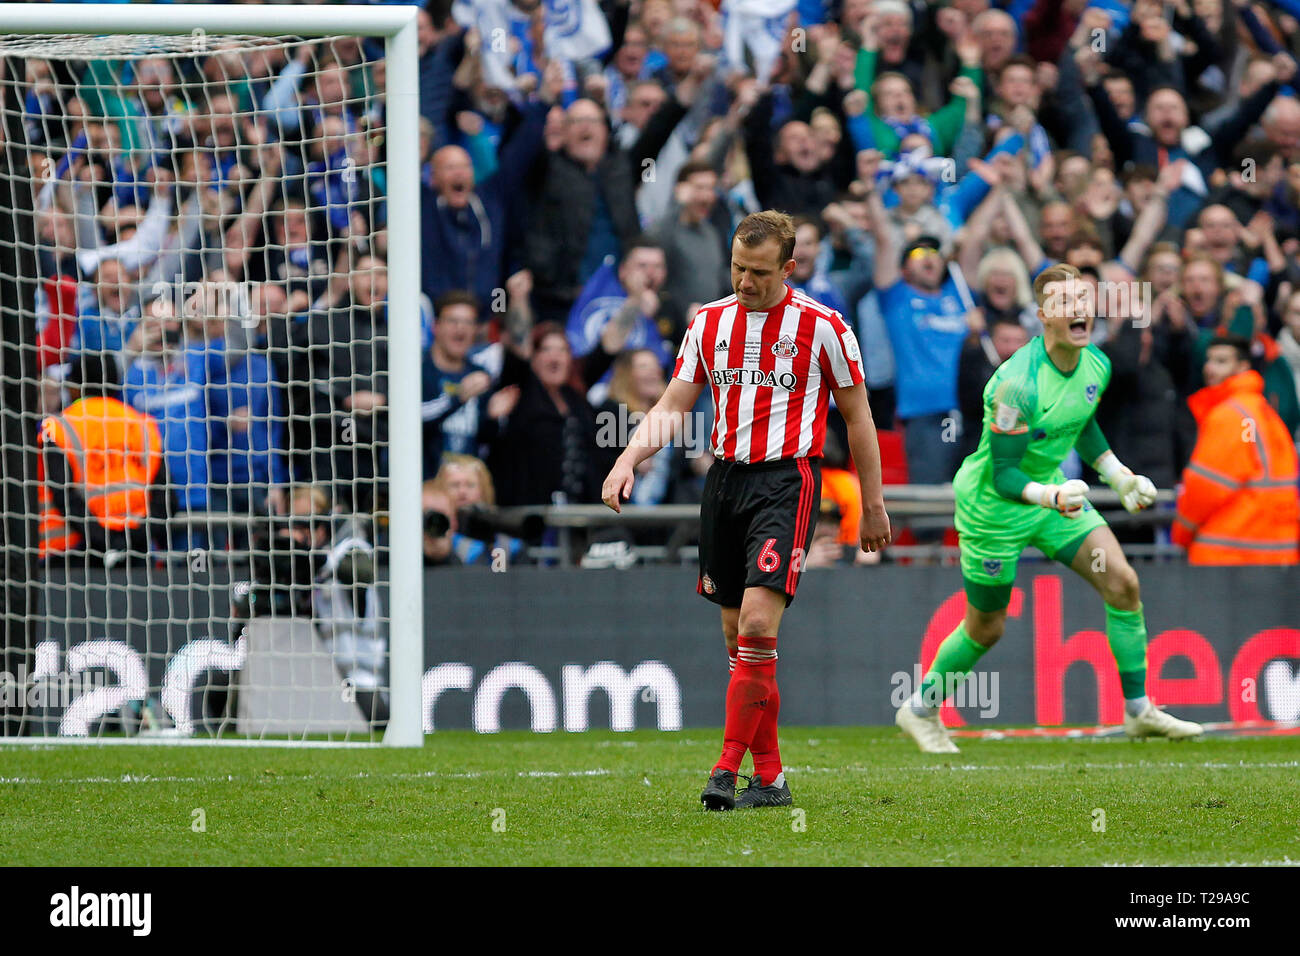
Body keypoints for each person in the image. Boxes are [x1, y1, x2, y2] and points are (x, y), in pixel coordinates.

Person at [601, 210, 892, 810]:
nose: (743, 281)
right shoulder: (707, 323)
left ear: (788, 267)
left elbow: (859, 416)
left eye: (757, 272)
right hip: (725, 483)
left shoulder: (824, 326)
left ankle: (724, 770)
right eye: (736, 267)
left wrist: (873, 503)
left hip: (789, 481)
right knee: (741, 639)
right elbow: (675, 400)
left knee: (759, 624)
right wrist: (626, 458)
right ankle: (772, 778)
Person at [895, 264, 1204, 753]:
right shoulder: (1015, 383)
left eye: (1083, 298)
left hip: (1052, 495)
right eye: (1064, 302)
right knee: (987, 625)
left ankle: (1138, 710)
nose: (1078, 307)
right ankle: (920, 708)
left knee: (1122, 581)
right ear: (1043, 317)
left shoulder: (1096, 364)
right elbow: (1005, 475)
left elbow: (1079, 421)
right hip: (995, 508)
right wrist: (1053, 495)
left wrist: (1117, 474)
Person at [1173, 335, 1299, 565]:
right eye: (1209, 361)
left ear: (1243, 367)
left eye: (1221, 362)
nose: (1210, 368)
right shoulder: (1262, 411)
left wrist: (1181, 532)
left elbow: (1206, 485)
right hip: (1273, 554)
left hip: (1229, 554)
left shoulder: (1230, 415)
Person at [39, 351, 166, 566]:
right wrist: (129, 540)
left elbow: (63, 496)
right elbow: (165, 497)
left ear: (74, 387)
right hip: (136, 549)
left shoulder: (59, 426)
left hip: (78, 553)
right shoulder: (142, 424)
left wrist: (103, 540)